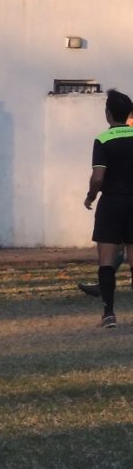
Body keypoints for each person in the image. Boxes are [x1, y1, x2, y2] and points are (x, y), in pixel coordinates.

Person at [83, 88, 133, 328]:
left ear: (108, 114)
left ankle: (109, 314)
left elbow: (98, 177)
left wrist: (91, 196)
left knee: (106, 259)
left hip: (112, 202)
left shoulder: (102, 140)